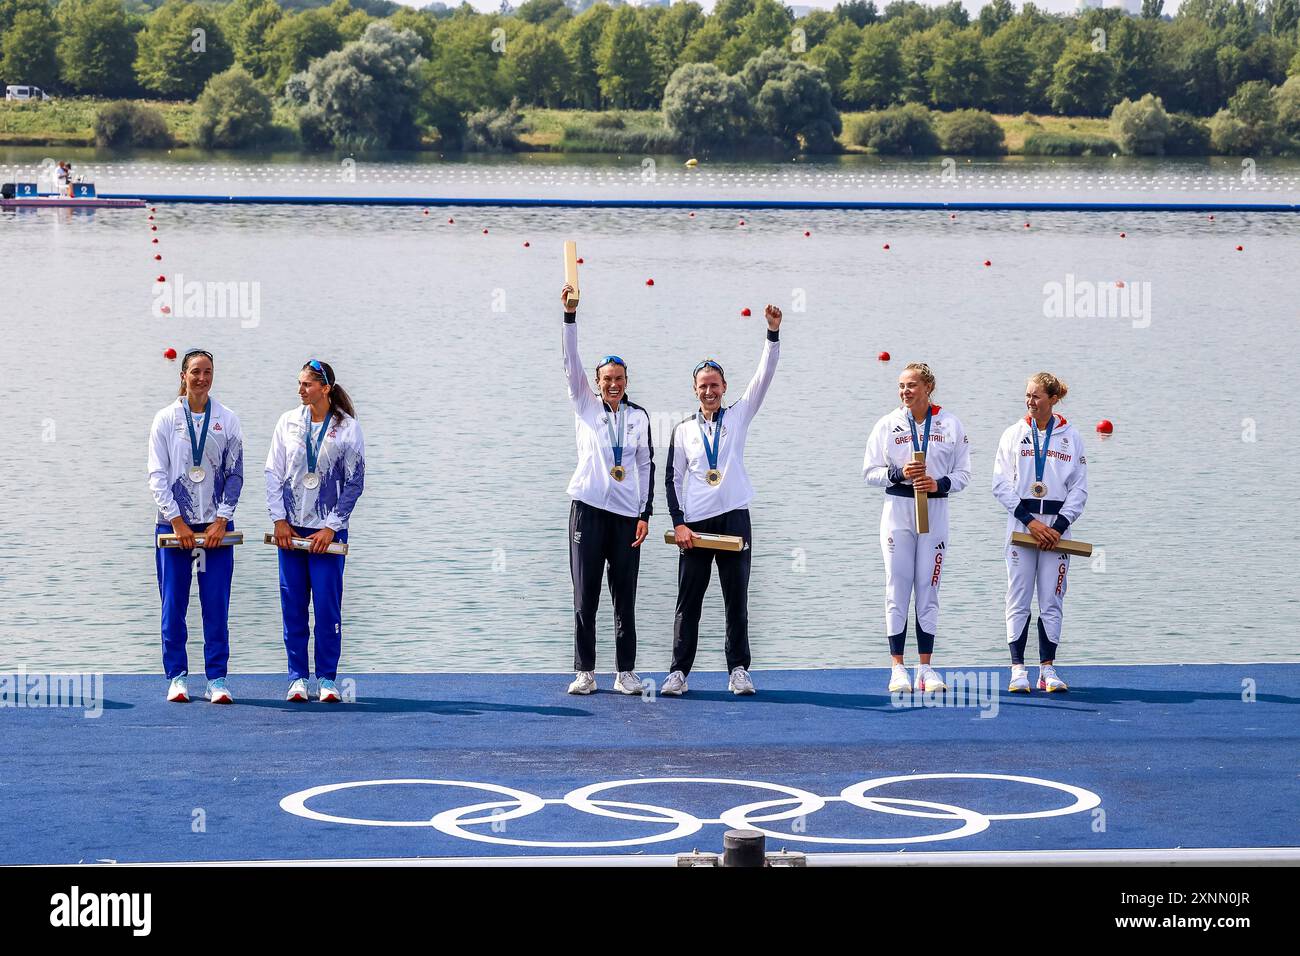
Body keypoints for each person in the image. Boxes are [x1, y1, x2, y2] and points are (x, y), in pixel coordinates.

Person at [661, 305, 782, 697]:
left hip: (734, 520)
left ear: (725, 388)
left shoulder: (739, 416)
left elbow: (763, 379)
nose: (709, 391)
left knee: (736, 601)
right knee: (688, 602)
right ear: (695, 390)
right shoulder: (682, 430)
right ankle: (678, 672)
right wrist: (679, 522)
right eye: (703, 386)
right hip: (694, 526)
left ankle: (739, 670)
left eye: (715, 385)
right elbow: (672, 479)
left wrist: (772, 334)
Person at [560, 284, 655, 695]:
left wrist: (645, 515)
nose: (612, 384)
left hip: (625, 519)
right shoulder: (585, 405)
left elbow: (646, 466)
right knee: (587, 594)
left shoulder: (638, 417)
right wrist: (569, 316)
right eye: (606, 379)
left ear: (626, 380)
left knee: (625, 596)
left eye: (618, 378)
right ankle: (585, 671)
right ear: (595, 384)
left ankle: (626, 672)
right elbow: (569, 360)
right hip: (587, 510)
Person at [862, 363, 971, 695]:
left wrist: (938, 482)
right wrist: (898, 473)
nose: (905, 391)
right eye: (901, 386)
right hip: (898, 511)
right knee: (897, 586)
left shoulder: (950, 424)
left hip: (935, 510)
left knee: (928, 587)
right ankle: (898, 667)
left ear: (928, 387)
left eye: (911, 385)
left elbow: (965, 475)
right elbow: (868, 472)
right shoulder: (887, 424)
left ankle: (925, 666)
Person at [147, 349, 245, 704]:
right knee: (173, 604)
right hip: (174, 528)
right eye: (195, 372)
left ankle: (216, 679)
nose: (202, 378)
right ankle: (177, 676)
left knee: (215, 605)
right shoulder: (165, 419)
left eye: (208, 372)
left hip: (216, 529)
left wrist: (221, 519)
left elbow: (235, 474)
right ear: (183, 376)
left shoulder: (227, 419)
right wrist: (176, 520)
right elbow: (157, 476)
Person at [266, 360, 365, 703]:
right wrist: (279, 520)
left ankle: (326, 679)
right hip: (291, 532)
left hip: (328, 535)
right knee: (293, 606)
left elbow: (355, 482)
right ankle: (297, 678)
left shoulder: (347, 428)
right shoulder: (288, 422)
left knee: (326, 608)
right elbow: (272, 474)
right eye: (299, 383)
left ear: (325, 388)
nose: (300, 390)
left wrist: (331, 527)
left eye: (307, 384)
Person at [992, 372, 1088, 693]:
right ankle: (1017, 669)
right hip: (1022, 526)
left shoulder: (1071, 437)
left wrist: (1058, 526)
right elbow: (1000, 484)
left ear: (1052, 399)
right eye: (1027, 396)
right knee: (1018, 597)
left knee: (1052, 599)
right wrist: (1030, 522)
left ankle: (1047, 669)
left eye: (1036, 396)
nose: (1030, 402)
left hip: (1057, 532)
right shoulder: (1013, 434)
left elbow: (1079, 489)